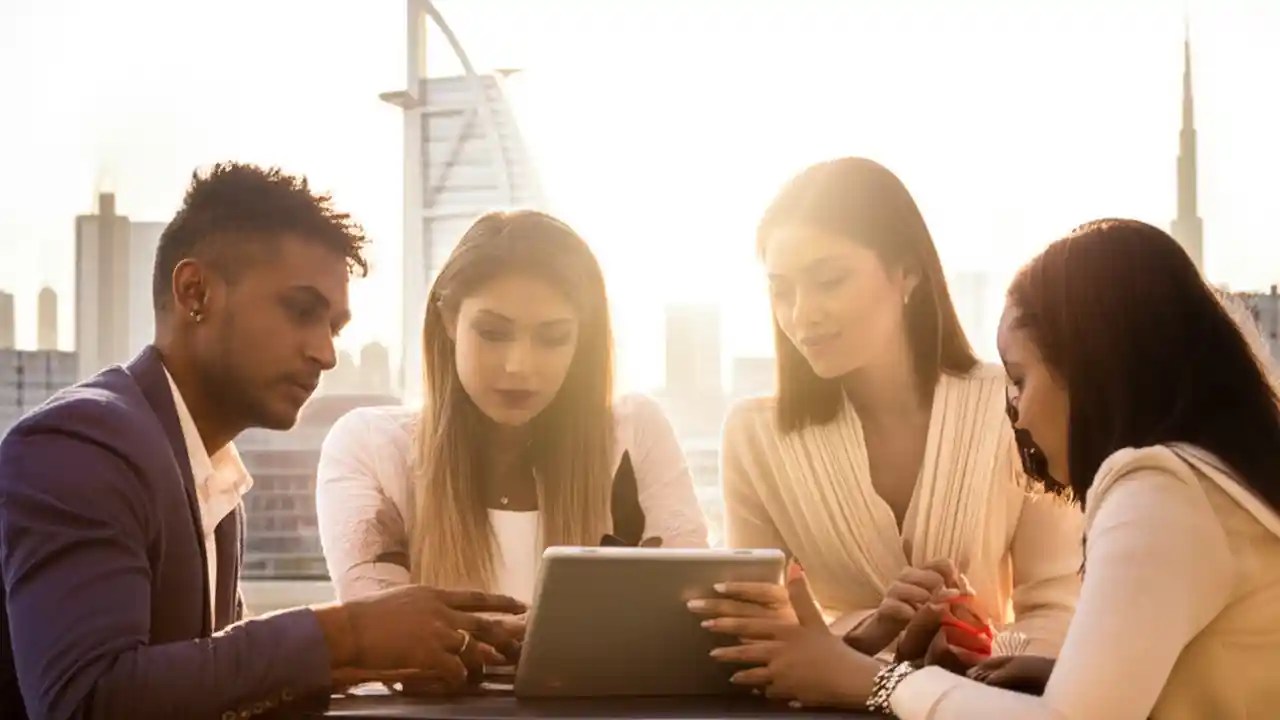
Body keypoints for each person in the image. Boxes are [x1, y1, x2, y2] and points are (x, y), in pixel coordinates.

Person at [0, 164, 524, 720]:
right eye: (302, 312)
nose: (325, 353)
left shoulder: (209, 474)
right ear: (194, 292)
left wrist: (398, 655)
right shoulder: (81, 446)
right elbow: (87, 700)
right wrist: (350, 632)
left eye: (334, 328)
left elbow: (211, 685)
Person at [709, 219, 1280, 719]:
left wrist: (876, 680)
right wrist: (1045, 673)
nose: (1015, 411)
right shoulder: (1208, 478)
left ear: (1091, 367)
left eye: (1019, 379)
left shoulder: (1159, 490)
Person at [691, 158, 1082, 658]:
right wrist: (872, 631)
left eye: (829, 280)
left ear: (908, 273)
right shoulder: (754, 435)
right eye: (781, 289)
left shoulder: (1012, 404)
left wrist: (978, 646)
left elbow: (1057, 614)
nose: (801, 314)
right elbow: (757, 626)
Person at [316, 210, 708, 607]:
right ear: (449, 320)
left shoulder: (634, 432)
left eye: (553, 338)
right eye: (492, 333)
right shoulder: (373, 447)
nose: (519, 365)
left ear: (581, 340)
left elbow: (687, 612)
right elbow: (382, 636)